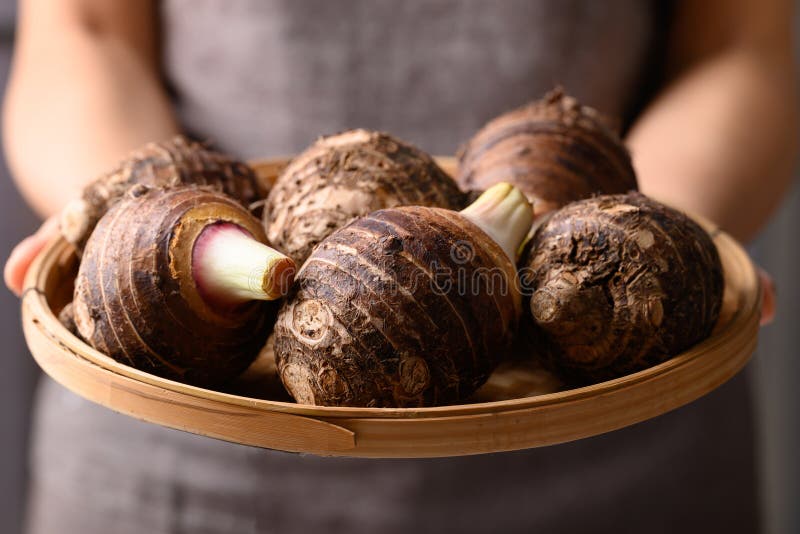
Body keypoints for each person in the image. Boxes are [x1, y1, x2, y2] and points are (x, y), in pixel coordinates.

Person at [3, 1, 796, 532]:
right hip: (176, 439)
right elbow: (85, 28)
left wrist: (661, 246)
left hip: (624, 446)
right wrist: (130, 252)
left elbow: (739, 45)